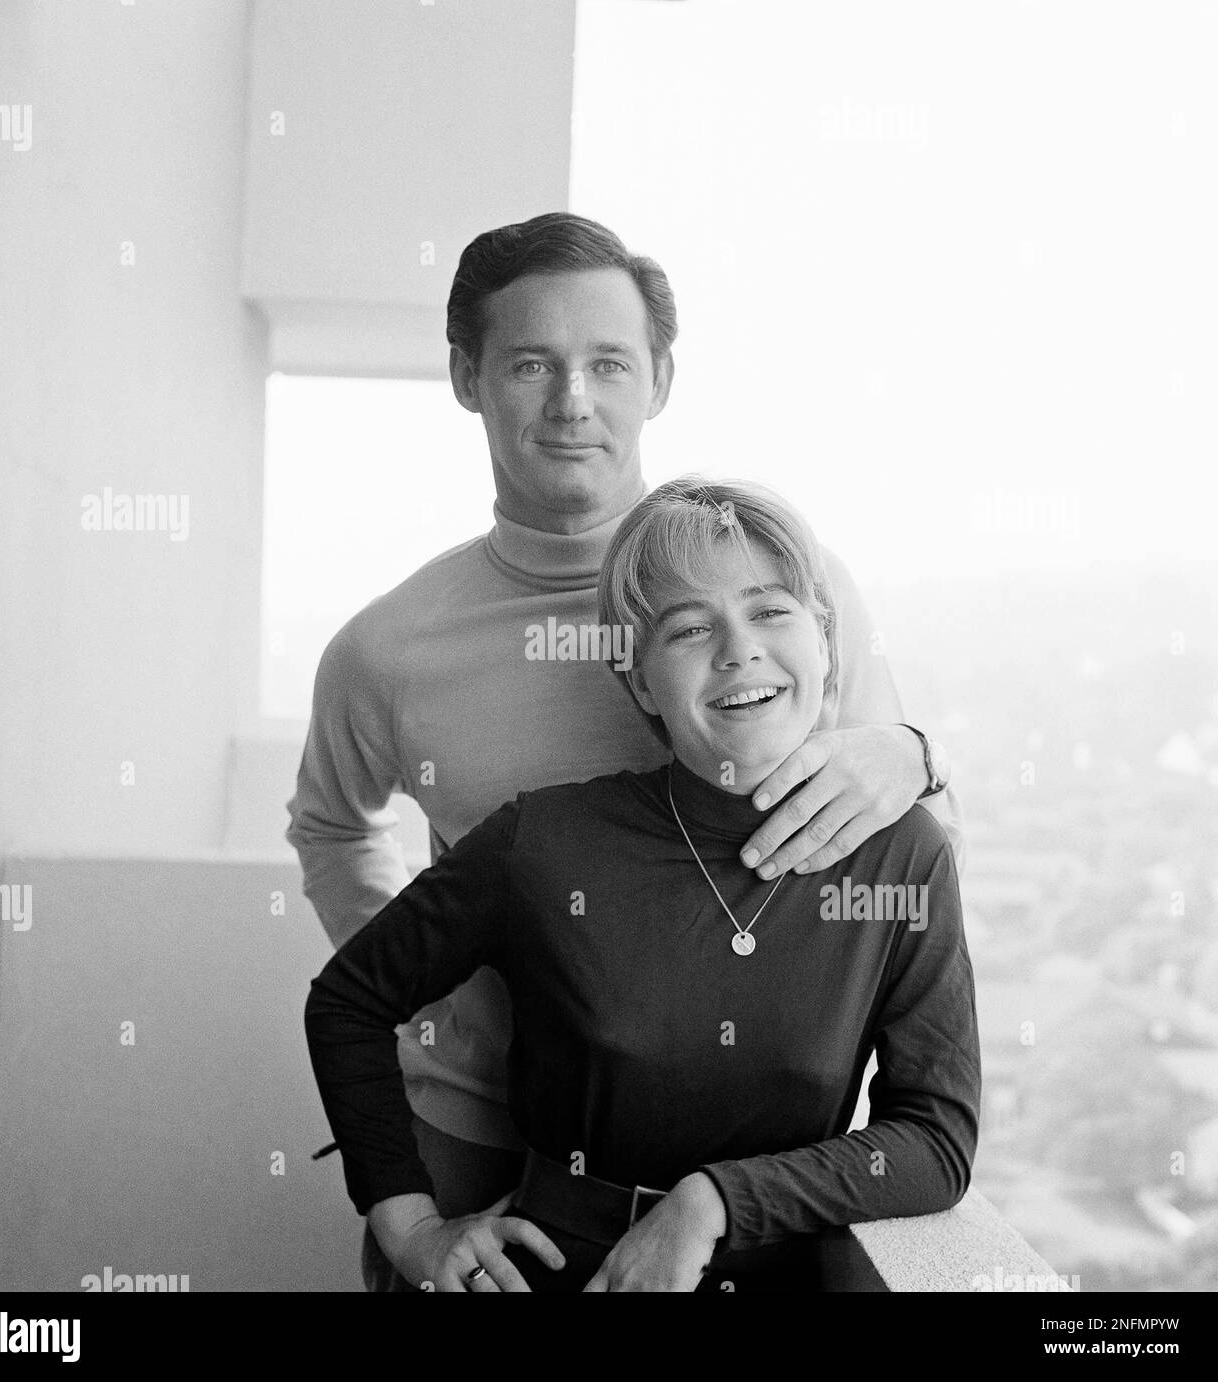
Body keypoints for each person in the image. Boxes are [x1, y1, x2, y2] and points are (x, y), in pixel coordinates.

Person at [286, 212, 962, 1290]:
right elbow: (330, 828)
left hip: (728, 1155)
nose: (571, 400)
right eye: (529, 364)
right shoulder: (386, 649)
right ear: (466, 376)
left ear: (659, 377)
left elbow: (899, 823)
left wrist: (913, 751)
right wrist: (439, 986)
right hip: (470, 1133)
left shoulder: (784, 579)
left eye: (607, 362)